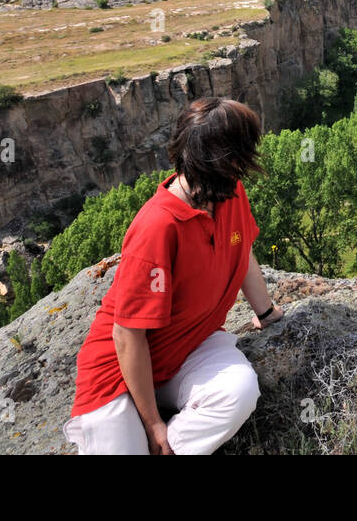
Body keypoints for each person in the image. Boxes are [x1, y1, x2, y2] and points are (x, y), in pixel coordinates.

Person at [63, 97, 284, 455]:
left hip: (190, 346)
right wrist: (154, 425)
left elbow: (241, 249)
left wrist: (266, 312)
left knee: (238, 391)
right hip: (120, 374)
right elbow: (127, 334)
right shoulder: (158, 226)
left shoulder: (230, 194)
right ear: (226, 160)